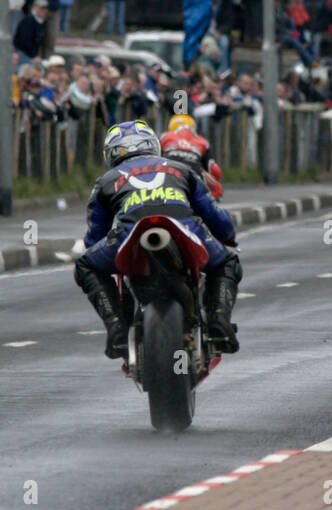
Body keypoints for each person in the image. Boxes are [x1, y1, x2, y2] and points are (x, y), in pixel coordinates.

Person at [74, 121, 241, 358]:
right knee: (228, 261)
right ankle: (219, 322)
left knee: (85, 264)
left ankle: (116, 328)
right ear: (153, 144)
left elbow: (95, 236)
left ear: (110, 153)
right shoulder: (183, 170)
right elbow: (215, 216)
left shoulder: (106, 180)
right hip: (186, 227)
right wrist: (228, 237)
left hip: (127, 233)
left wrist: (100, 248)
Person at [161, 113, 224, 200]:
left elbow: (155, 158)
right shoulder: (202, 141)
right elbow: (216, 172)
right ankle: (207, 209)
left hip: (168, 175)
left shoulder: (165, 137)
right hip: (194, 176)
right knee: (218, 191)